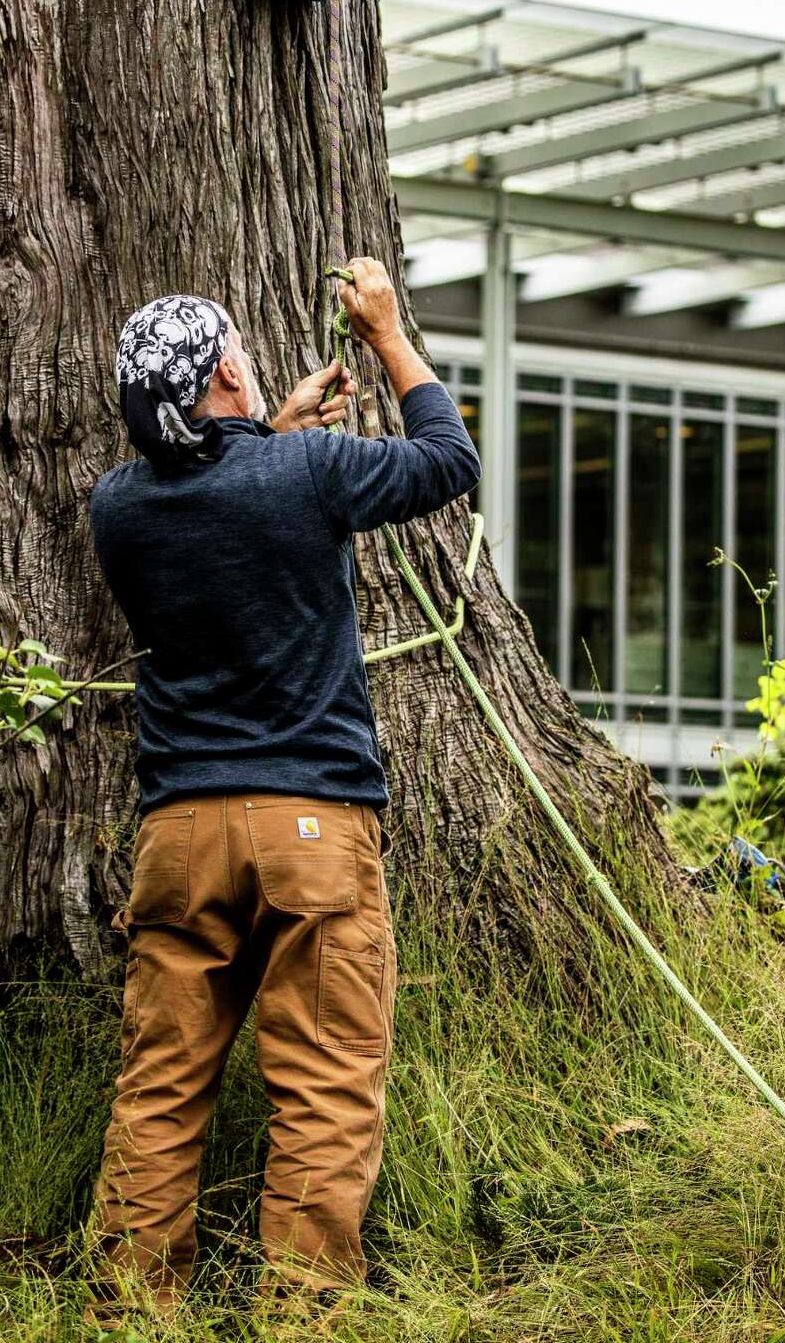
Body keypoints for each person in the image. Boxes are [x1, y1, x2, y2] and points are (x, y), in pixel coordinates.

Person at [87, 257, 481, 1319]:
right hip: (310, 826)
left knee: (160, 1085)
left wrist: (276, 428)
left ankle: (130, 1309)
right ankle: (304, 1314)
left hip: (178, 834)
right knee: (322, 1082)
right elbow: (448, 461)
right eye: (242, 358)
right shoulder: (305, 479)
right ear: (225, 371)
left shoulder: (117, 508)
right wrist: (389, 334)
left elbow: (220, 490)